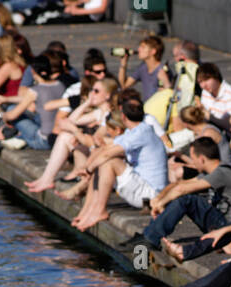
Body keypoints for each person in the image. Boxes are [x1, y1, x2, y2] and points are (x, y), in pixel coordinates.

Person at [70, 90, 168, 232]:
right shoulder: (135, 131)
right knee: (103, 161)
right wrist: (88, 167)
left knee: (110, 162)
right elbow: (104, 150)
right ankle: (89, 210)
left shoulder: (142, 132)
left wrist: (87, 170)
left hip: (151, 195)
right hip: (142, 188)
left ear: (123, 116)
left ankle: (99, 210)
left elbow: (107, 155)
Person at [139, 136, 231, 250]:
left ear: (201, 159)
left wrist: (161, 204)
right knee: (182, 197)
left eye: (193, 159)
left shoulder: (222, 172)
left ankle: (150, 239)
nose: (193, 163)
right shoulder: (210, 173)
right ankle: (147, 235)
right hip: (224, 223)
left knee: (188, 200)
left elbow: (182, 190)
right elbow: (180, 185)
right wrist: (159, 199)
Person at [195, 62, 231, 134]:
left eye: (206, 80)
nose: (203, 85)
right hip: (213, 130)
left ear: (215, 76)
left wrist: (209, 116)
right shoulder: (205, 92)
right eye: (200, 82)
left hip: (229, 136)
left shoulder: (230, 92)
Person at [118, 34, 165, 103]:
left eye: (143, 47)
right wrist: (123, 64)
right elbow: (124, 85)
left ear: (153, 51)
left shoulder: (163, 70)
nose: (139, 49)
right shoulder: (142, 68)